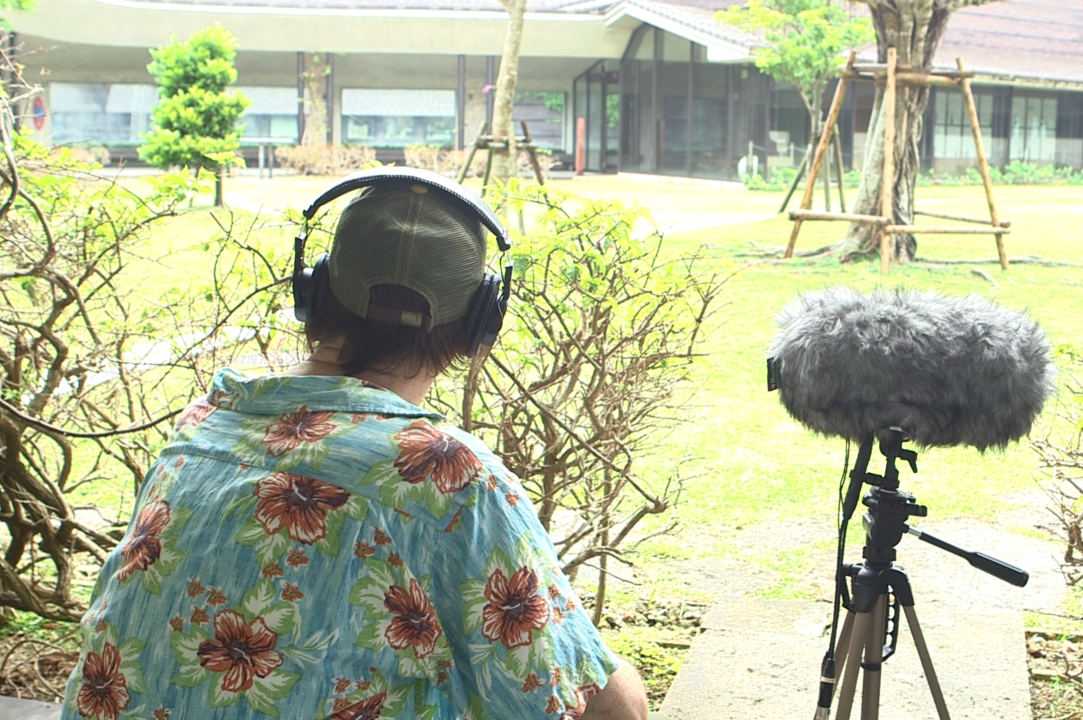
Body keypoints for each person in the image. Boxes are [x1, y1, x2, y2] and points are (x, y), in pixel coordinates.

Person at [60, 170, 649, 720]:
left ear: (311, 291)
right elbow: (607, 711)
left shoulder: (204, 426)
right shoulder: (445, 478)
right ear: (479, 325)